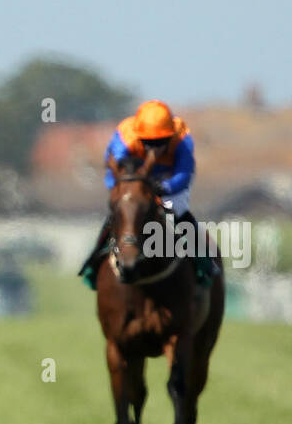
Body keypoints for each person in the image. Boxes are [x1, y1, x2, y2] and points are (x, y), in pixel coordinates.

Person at [79, 99, 216, 288]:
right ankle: (93, 263)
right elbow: (114, 173)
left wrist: (164, 188)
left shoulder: (183, 139)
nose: (155, 147)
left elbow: (184, 175)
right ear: (138, 136)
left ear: (171, 135)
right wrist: (122, 192)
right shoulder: (124, 139)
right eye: (149, 142)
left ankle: (204, 263)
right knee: (121, 214)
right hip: (134, 181)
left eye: (161, 141)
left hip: (168, 180)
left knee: (179, 211)